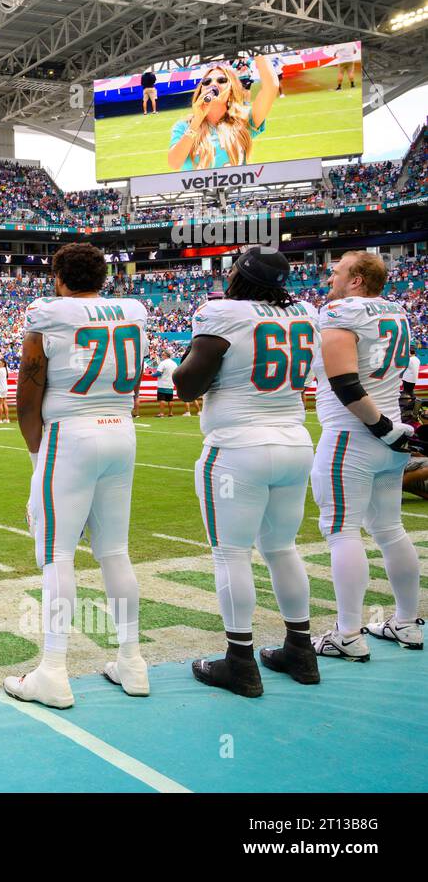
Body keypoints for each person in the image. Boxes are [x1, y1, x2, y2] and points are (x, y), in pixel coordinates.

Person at [5, 243, 148, 709]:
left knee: (57, 554)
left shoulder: (48, 315)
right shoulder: (132, 312)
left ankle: (52, 671)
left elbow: (28, 399)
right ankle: (132, 661)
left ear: (59, 278)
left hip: (70, 435)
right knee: (115, 551)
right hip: (121, 431)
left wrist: (35, 458)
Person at [173, 248, 320, 697]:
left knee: (231, 554)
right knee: (282, 548)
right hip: (294, 440)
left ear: (241, 276)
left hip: (238, 444)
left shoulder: (221, 312)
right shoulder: (307, 311)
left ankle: (239, 661)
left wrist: (193, 361)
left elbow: (187, 384)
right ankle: (301, 649)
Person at [308, 252, 422, 658]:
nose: (330, 277)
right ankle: (407, 622)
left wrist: (380, 427)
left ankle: (347, 633)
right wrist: (390, 430)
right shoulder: (398, 310)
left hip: (353, 434)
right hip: (390, 435)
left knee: (342, 531)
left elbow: (345, 381)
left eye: (337, 271)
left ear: (356, 280)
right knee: (390, 529)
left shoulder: (341, 311)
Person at [166, 55, 278, 171]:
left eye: (221, 80)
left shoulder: (243, 119)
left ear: (231, 90)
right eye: (207, 81)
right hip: (197, 189)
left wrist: (257, 51)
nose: (213, 84)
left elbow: (271, 86)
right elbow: (174, 164)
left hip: (235, 188)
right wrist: (196, 121)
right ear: (201, 91)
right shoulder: (183, 126)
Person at [154, 351, 178, 417]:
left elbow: (159, 373)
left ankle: (161, 413)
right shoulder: (174, 363)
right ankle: (170, 413)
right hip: (170, 383)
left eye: (163, 355)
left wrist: (152, 375)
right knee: (170, 399)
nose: (162, 356)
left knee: (162, 399)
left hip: (162, 383)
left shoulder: (163, 363)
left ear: (166, 355)